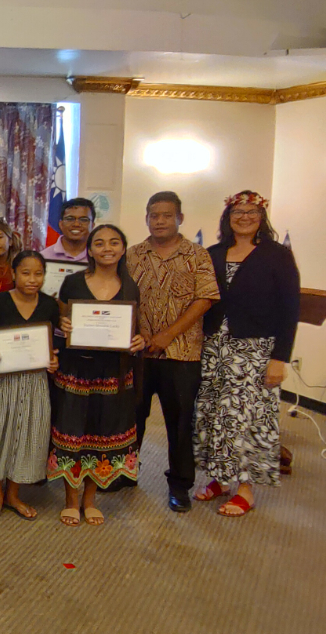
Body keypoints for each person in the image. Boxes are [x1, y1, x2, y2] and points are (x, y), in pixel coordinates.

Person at [194, 191, 300, 517]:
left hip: (254, 350)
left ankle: (244, 488)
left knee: (244, 419)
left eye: (251, 211)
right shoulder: (213, 253)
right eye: (237, 211)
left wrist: (280, 357)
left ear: (261, 216)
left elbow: (290, 308)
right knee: (212, 413)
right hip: (213, 347)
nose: (244, 216)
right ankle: (218, 476)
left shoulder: (277, 255)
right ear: (227, 216)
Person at [126, 191, 220, 511]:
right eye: (154, 215)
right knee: (131, 416)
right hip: (137, 352)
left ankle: (179, 485)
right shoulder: (133, 254)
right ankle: (126, 472)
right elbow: (121, 300)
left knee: (179, 422)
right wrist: (138, 334)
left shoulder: (198, 255)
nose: (160, 220)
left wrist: (167, 335)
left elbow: (205, 299)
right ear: (147, 218)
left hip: (181, 353)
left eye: (167, 215)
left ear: (180, 218)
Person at [49, 224, 146, 526]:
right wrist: (63, 326)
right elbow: (62, 320)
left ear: (123, 248)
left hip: (113, 373)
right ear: (90, 250)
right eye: (100, 243)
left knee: (102, 433)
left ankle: (89, 499)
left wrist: (139, 340)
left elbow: (136, 328)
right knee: (72, 431)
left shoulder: (131, 285)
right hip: (76, 369)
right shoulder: (73, 282)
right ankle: (69, 499)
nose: (107, 248)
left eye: (114, 242)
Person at [0, 250, 59, 521]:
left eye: (38, 273)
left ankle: (14, 495)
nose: (33, 279)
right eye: (26, 273)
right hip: (0, 378)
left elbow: (52, 344)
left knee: (26, 432)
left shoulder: (50, 305)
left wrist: (52, 359)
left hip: (33, 380)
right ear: (15, 274)